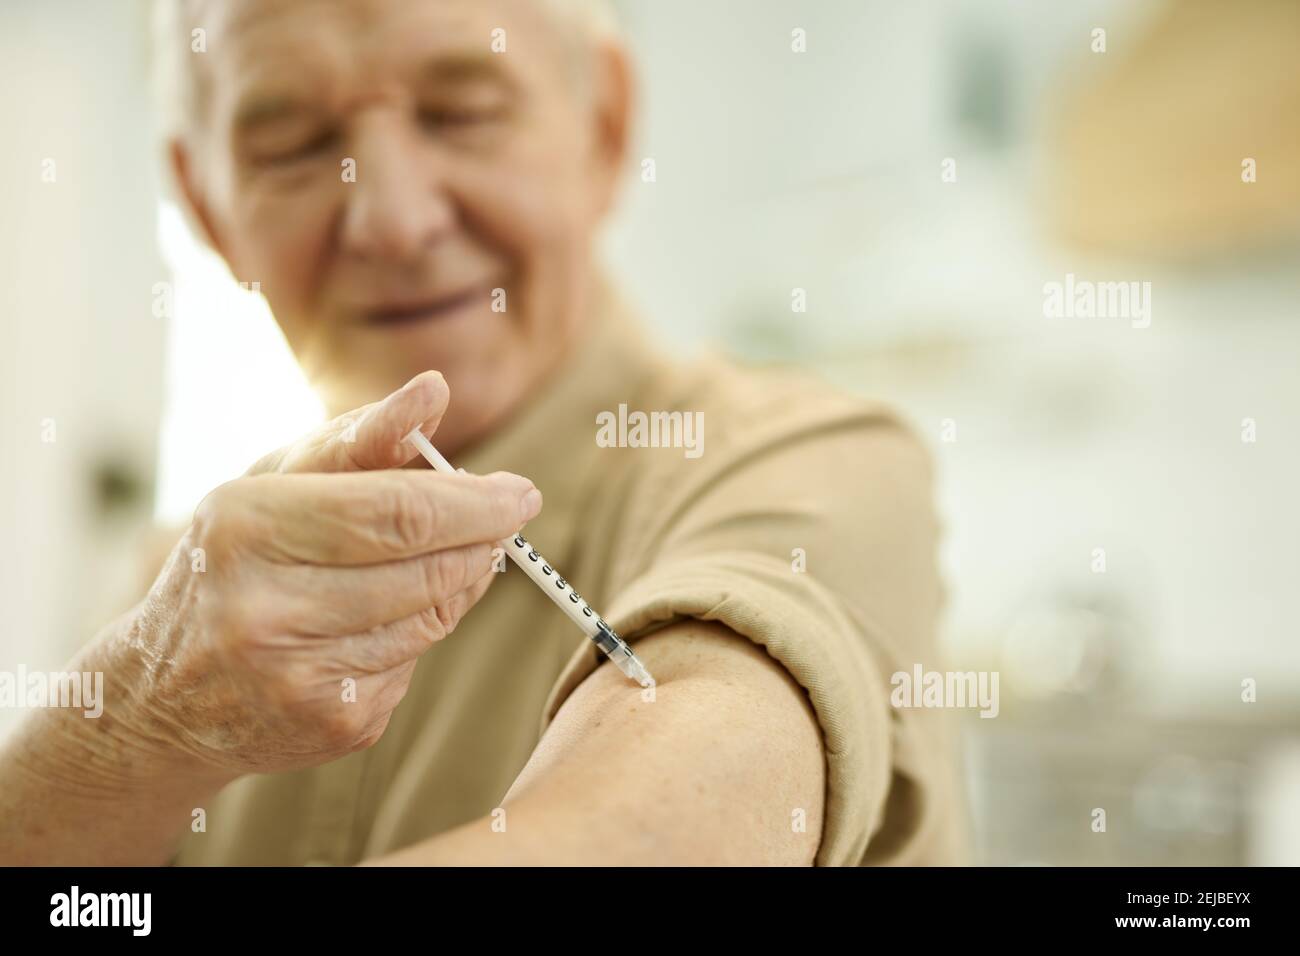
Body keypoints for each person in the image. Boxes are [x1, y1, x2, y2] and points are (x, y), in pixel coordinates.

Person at [0, 0, 966, 866]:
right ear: (207, 204)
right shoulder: (191, 600)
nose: (391, 218)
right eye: (293, 144)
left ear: (605, 123)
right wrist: (131, 722)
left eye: (462, 112)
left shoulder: (814, 471)